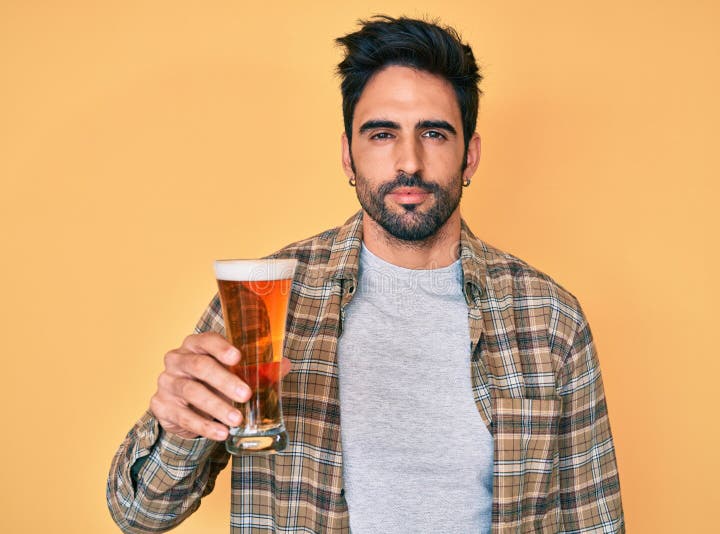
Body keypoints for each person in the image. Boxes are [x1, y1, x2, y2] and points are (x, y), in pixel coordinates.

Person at [107, 15, 624, 533]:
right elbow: (138, 515)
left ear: (470, 156)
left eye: (435, 133)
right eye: (382, 134)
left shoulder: (550, 318)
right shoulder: (266, 301)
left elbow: (595, 524)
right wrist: (176, 425)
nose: (409, 162)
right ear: (347, 157)